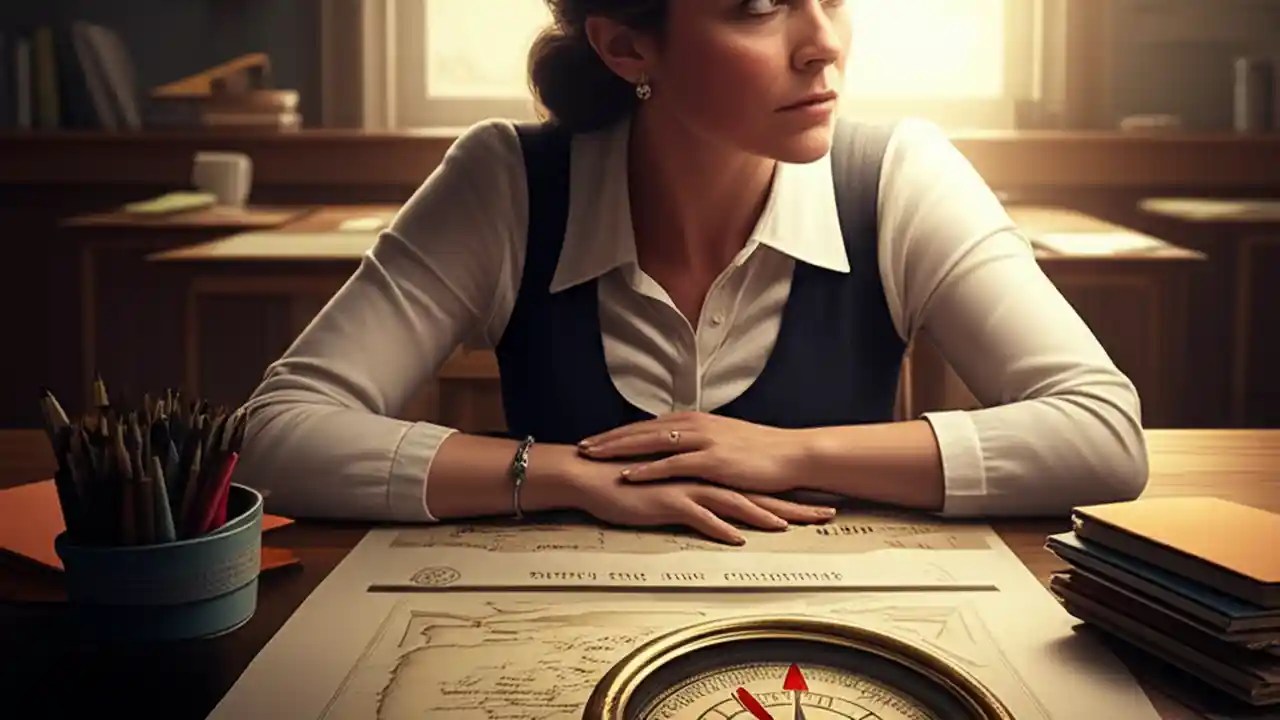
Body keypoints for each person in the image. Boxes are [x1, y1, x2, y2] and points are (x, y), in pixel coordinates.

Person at [235, 0, 1148, 546]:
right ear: (628, 48)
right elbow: (276, 436)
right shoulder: (505, 180)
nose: (822, 42)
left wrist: (793, 452)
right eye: (758, 5)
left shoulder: (900, 174)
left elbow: (1102, 433)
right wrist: (559, 474)